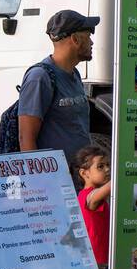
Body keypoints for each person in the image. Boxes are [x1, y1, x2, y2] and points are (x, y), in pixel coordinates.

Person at [18, 9, 97, 169]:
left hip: (77, 177)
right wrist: (40, 182)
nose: (92, 43)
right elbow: (25, 139)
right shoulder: (39, 77)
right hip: (54, 180)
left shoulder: (74, 73)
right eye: (88, 36)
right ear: (75, 39)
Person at [75, 144, 111, 269]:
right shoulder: (90, 196)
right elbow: (112, 186)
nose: (107, 169)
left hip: (98, 259)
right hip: (98, 262)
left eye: (108, 165)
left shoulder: (84, 194)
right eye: (100, 166)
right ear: (84, 173)